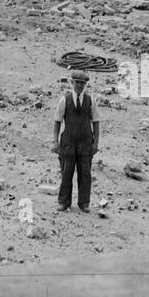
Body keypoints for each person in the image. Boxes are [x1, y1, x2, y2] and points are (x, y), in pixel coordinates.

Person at [51, 70, 100, 212]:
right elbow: (57, 121)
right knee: (66, 173)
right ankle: (64, 202)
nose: (79, 85)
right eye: (77, 82)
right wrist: (55, 141)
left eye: (82, 83)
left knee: (85, 174)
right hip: (68, 143)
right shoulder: (64, 100)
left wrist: (96, 143)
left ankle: (84, 203)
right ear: (72, 83)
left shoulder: (91, 101)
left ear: (85, 85)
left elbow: (96, 122)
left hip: (85, 143)